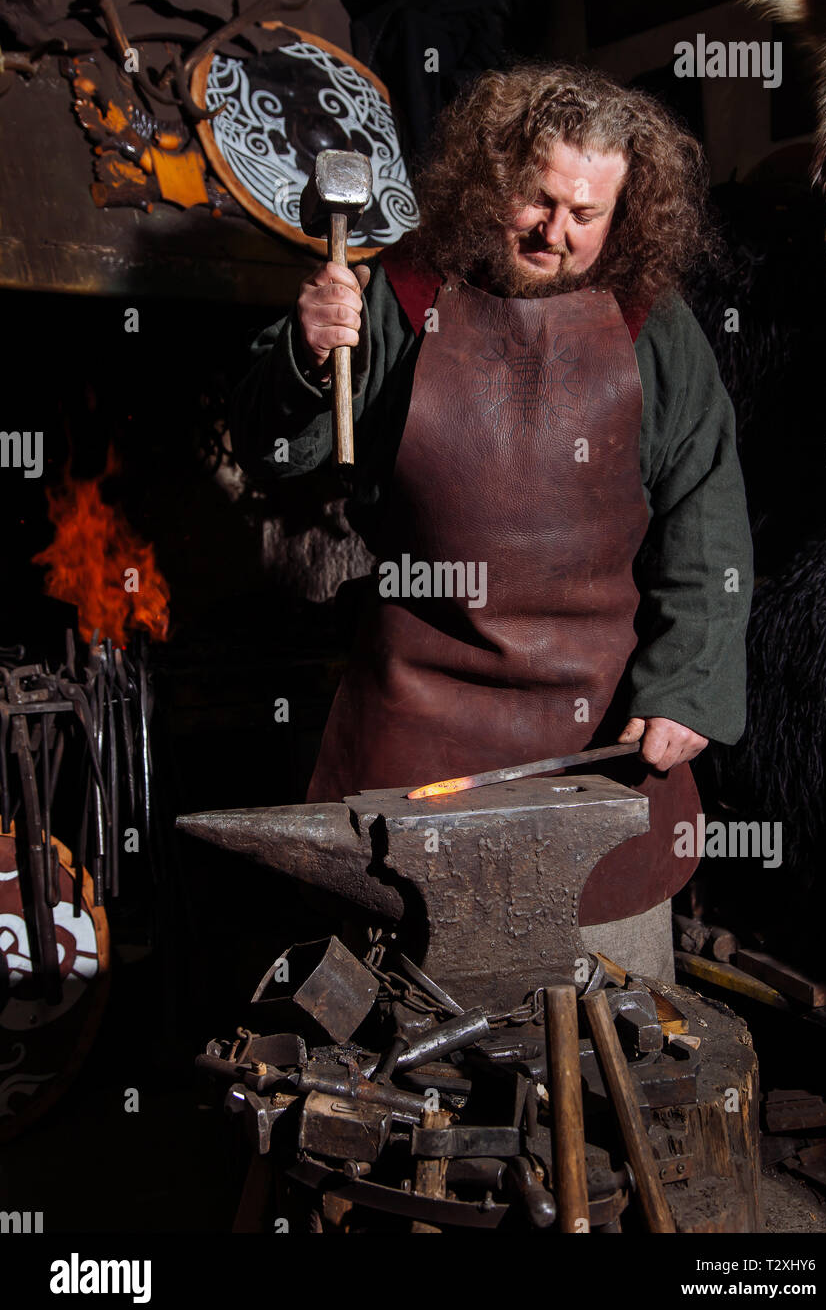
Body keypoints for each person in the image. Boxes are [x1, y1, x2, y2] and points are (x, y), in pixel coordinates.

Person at [230, 63, 753, 967]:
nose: (556, 233)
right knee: (402, 1048)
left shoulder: (655, 330)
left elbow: (706, 518)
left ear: (624, 212)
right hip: (416, 724)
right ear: (494, 178)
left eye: (586, 215)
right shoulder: (400, 294)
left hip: (597, 742)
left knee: (611, 1026)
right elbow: (278, 455)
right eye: (539, 201)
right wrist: (307, 357)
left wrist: (689, 685)